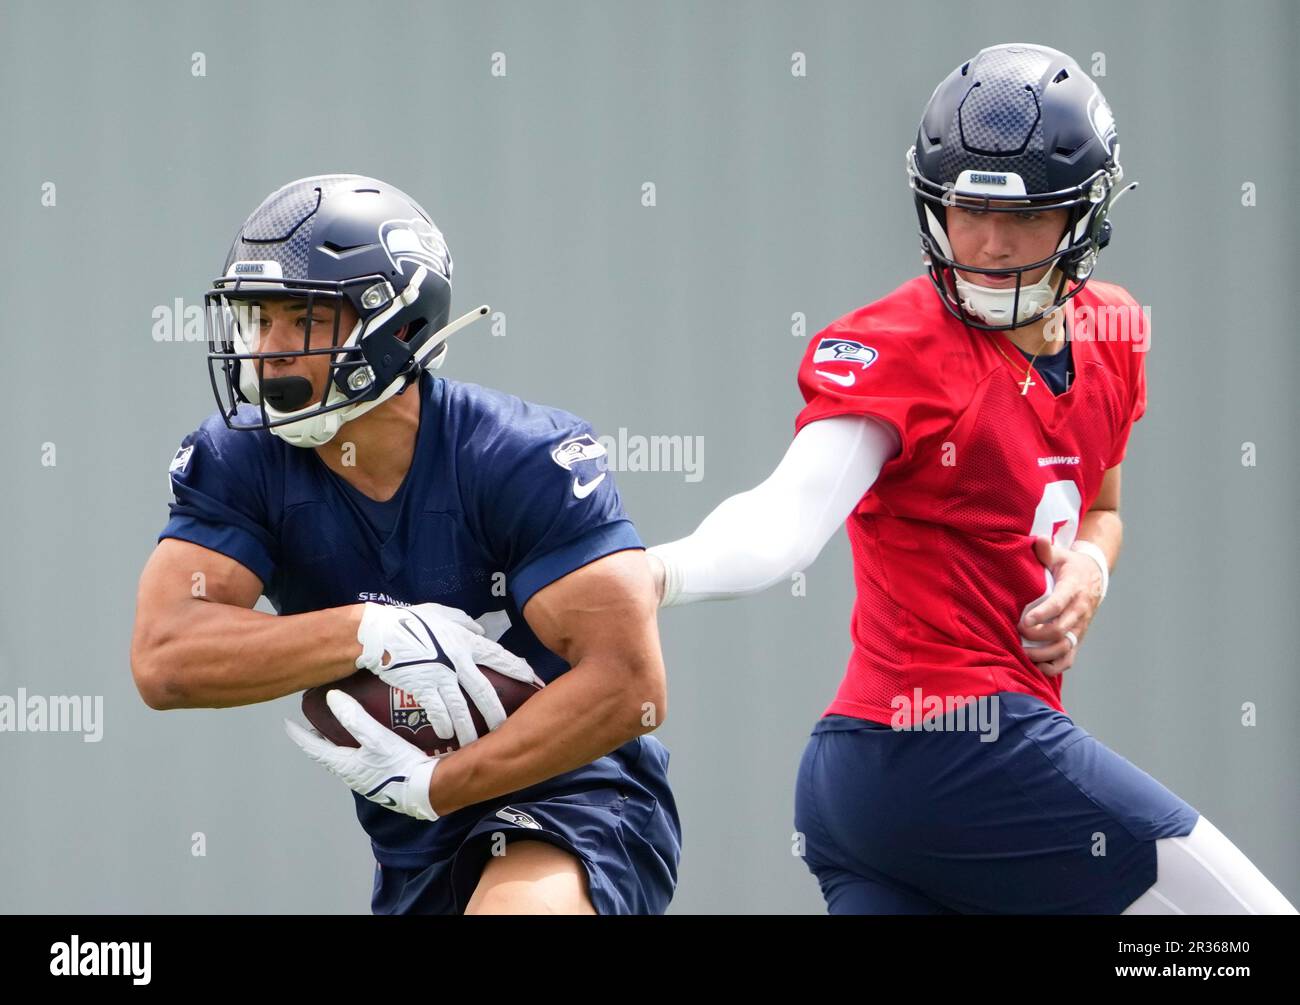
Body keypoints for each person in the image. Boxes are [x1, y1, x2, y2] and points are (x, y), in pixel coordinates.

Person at [647, 44, 1295, 914]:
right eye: (965, 209)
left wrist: (1089, 571)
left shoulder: (1115, 332)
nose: (989, 247)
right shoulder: (903, 344)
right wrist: (656, 574)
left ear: (1085, 217)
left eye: (1024, 218)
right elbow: (786, 521)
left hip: (878, 794)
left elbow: (1100, 507)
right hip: (951, 743)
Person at [130, 174, 680, 915]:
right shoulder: (242, 460)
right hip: (413, 836)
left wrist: (439, 784)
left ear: (396, 325)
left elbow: (629, 685)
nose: (267, 350)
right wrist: (371, 633)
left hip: (573, 793)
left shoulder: (517, 455)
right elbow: (165, 656)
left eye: (302, 318)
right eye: (257, 318)